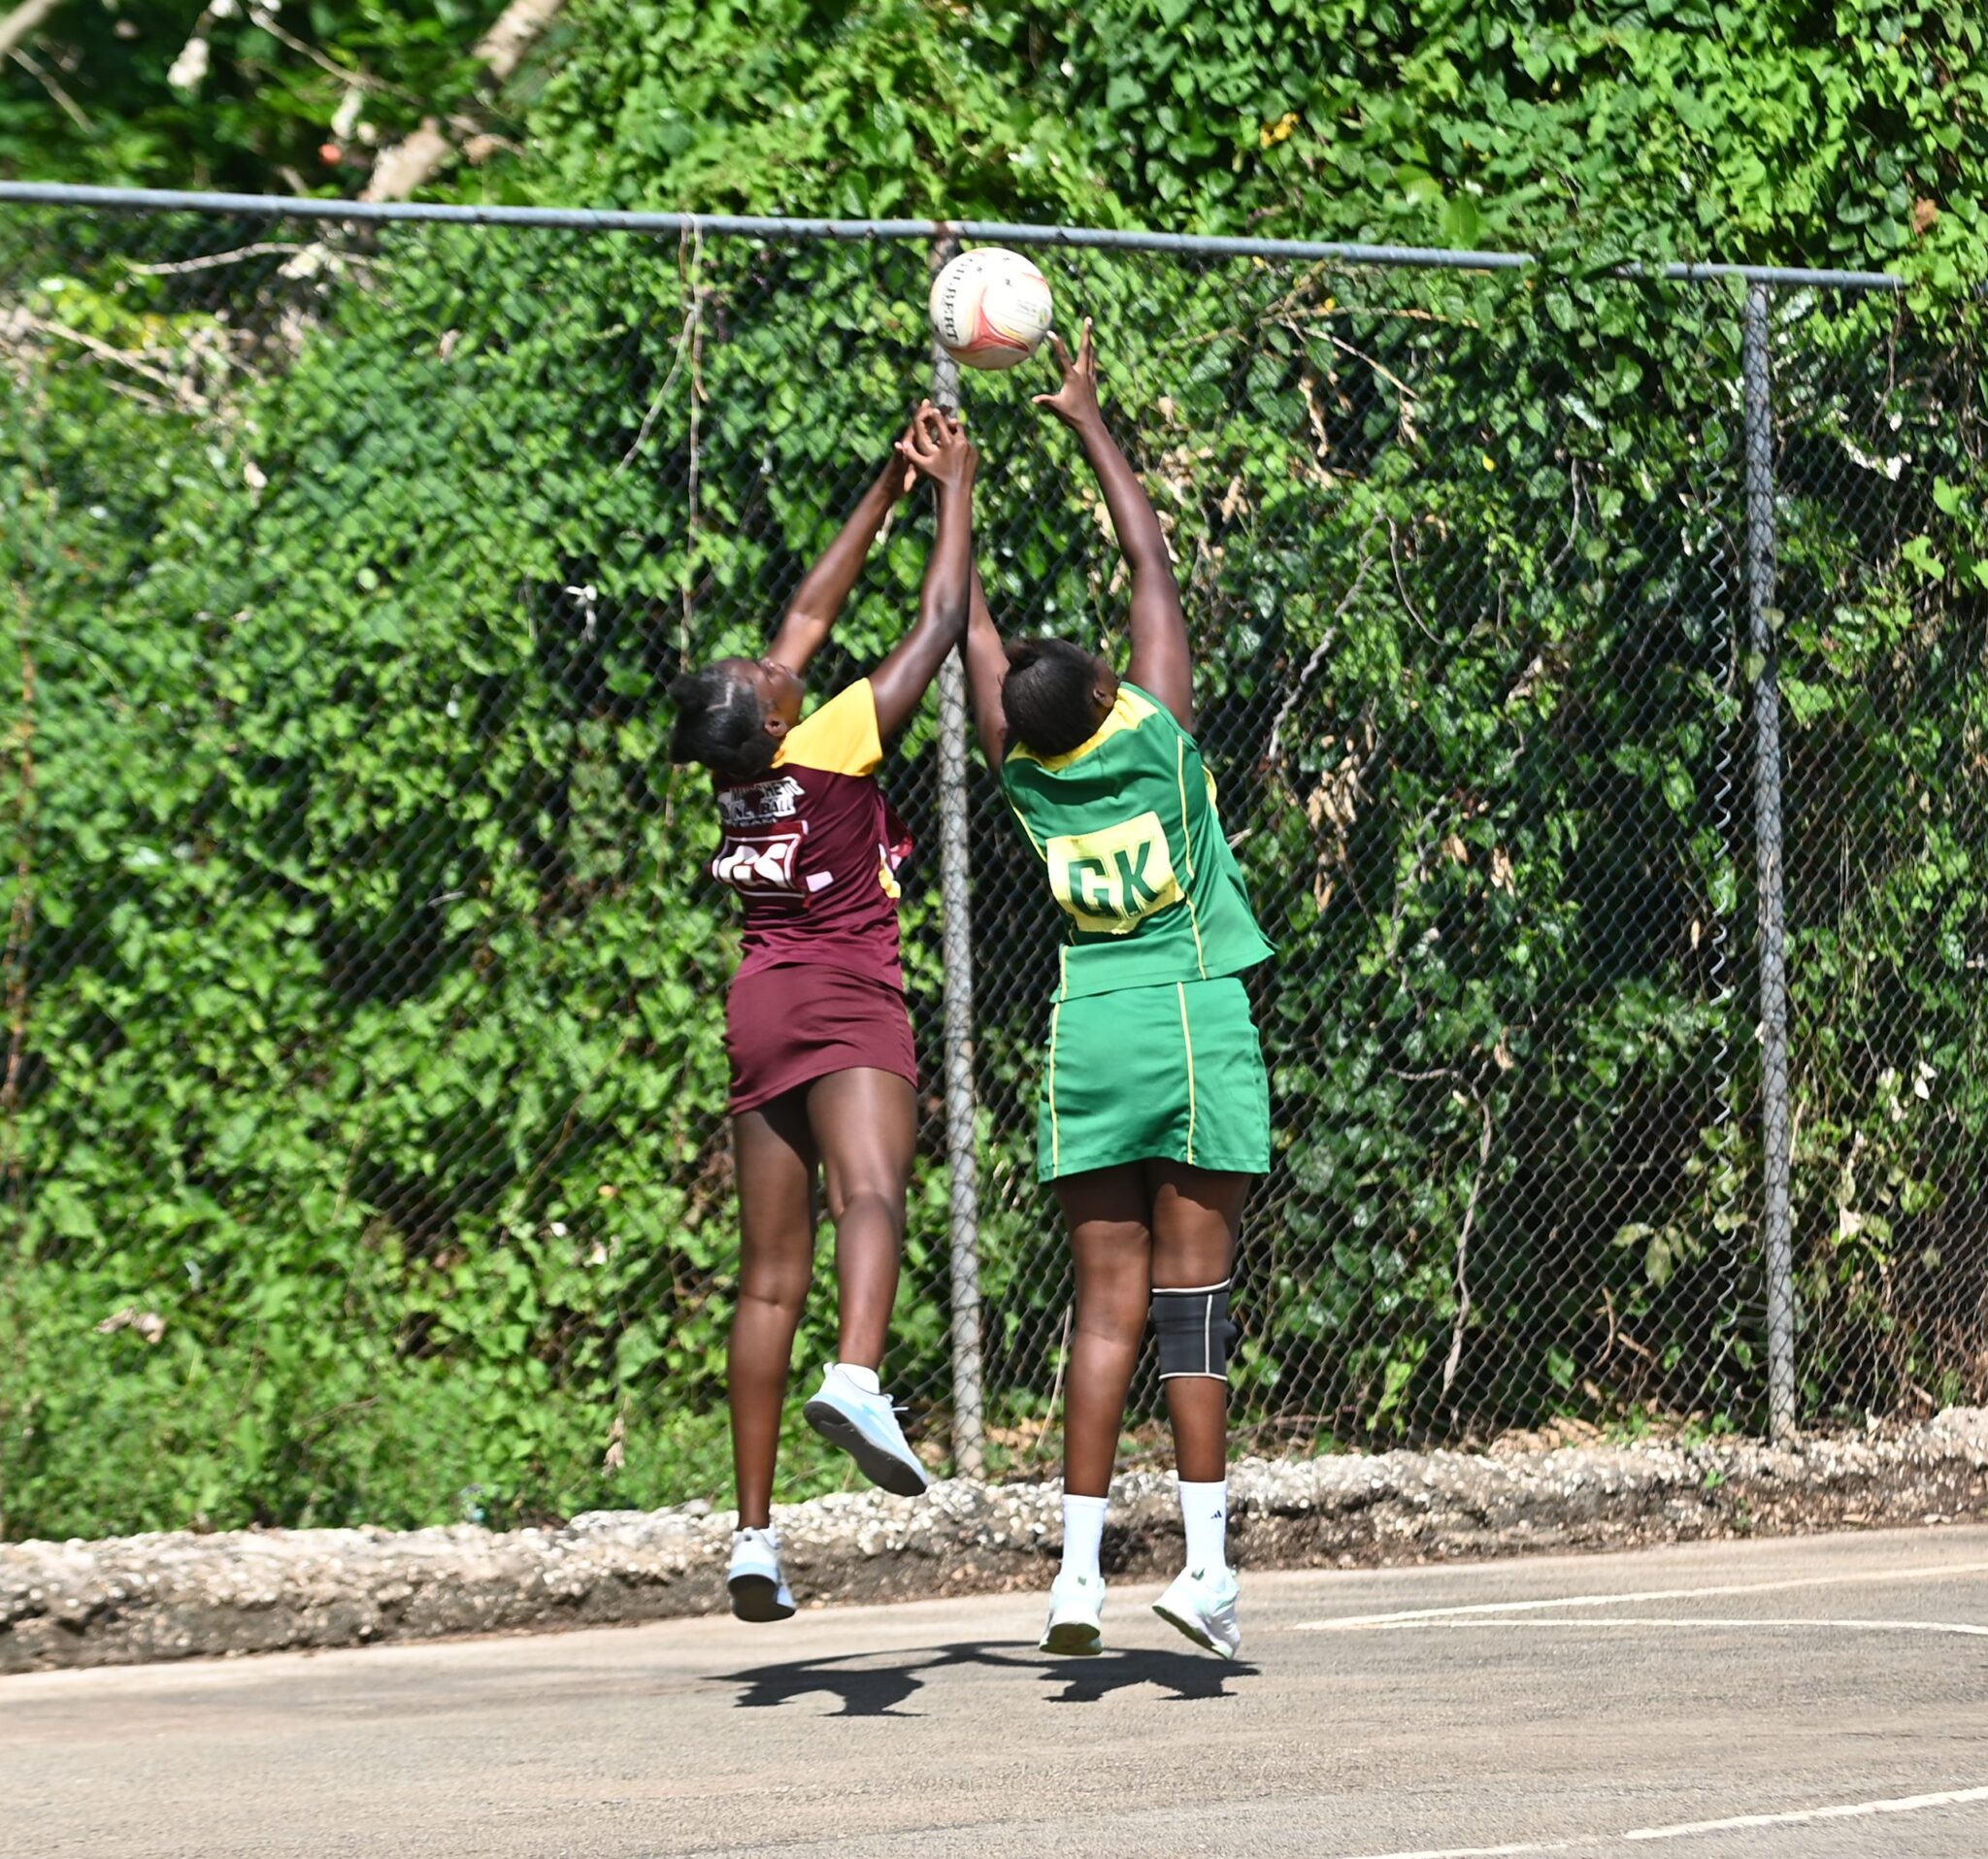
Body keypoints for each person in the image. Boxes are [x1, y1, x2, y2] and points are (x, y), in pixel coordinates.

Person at [961, 322, 1273, 1660]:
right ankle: (1205, 1569)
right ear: (1108, 686)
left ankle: (1077, 1575)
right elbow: (1150, 559)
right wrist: (1087, 419)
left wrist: (955, 497)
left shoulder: (1024, 774)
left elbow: (966, 641)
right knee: (1194, 1310)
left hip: (1087, 1031)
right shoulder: (1157, 740)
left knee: (1104, 1313)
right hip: (1191, 1019)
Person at [670, 403, 978, 1623]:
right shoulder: (838, 741)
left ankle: (752, 1538)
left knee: (761, 1286)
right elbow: (941, 624)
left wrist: (888, 485)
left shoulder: (749, 761)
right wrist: (956, 485)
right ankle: (858, 1376)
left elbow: (808, 608)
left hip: (760, 1005)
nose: (772, 654)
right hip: (847, 994)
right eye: (762, 674)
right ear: (779, 718)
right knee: (874, 1196)